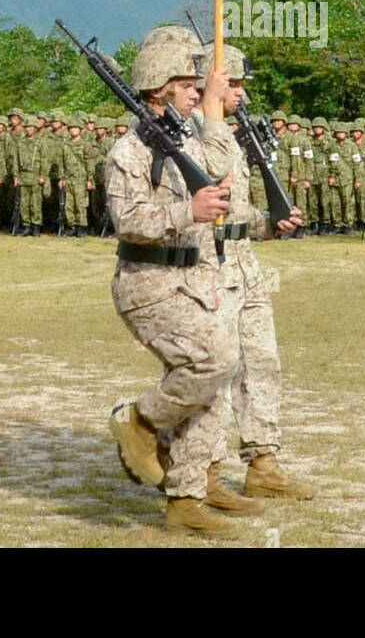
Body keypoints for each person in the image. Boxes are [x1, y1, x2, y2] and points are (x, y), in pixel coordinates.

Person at [104, 27, 240, 535]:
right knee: (214, 360)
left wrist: (211, 113)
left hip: (191, 276)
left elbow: (221, 172)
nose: (196, 92)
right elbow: (129, 219)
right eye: (187, 84)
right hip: (148, 281)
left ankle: (186, 498)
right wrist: (188, 210)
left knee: (213, 383)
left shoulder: (186, 138)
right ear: (160, 87)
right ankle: (138, 419)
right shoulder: (130, 151)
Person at [192, 43, 312, 506]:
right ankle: (205, 472)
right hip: (210, 266)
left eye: (241, 84)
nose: (240, 93)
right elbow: (208, 175)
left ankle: (263, 463)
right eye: (232, 84)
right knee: (217, 373)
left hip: (244, 262)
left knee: (262, 364)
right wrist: (212, 113)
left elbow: (236, 210)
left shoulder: (234, 133)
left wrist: (271, 222)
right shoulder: (197, 134)